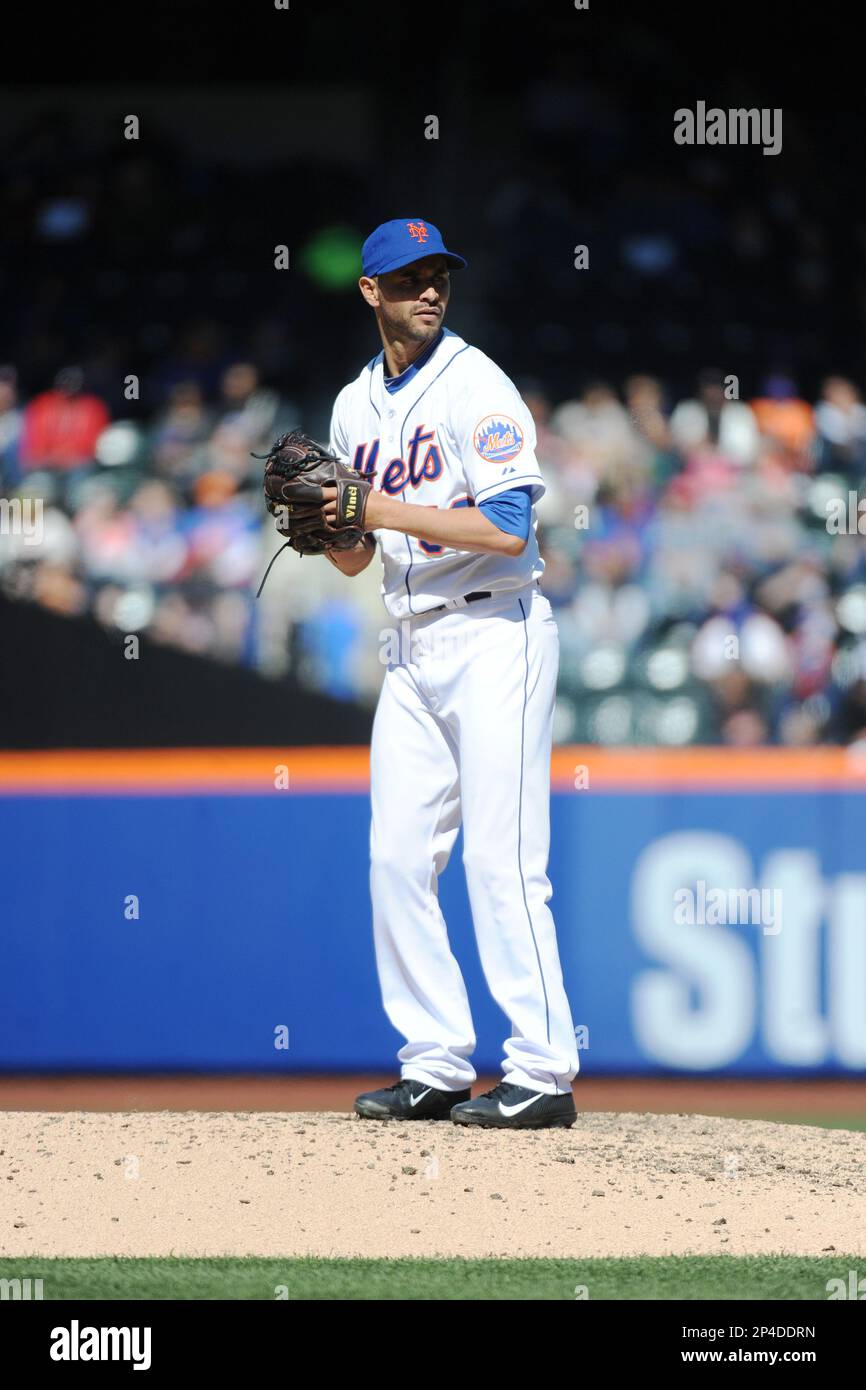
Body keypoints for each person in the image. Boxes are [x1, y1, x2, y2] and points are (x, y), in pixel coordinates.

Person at [321, 218, 579, 1128]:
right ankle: (433, 1059)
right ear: (371, 292)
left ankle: (544, 1073)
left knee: (504, 864)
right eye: (409, 277)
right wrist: (327, 527)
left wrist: (374, 502)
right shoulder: (353, 407)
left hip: (495, 634)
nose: (429, 290)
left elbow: (509, 526)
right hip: (411, 645)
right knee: (396, 858)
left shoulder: (478, 385)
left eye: (439, 275)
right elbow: (358, 558)